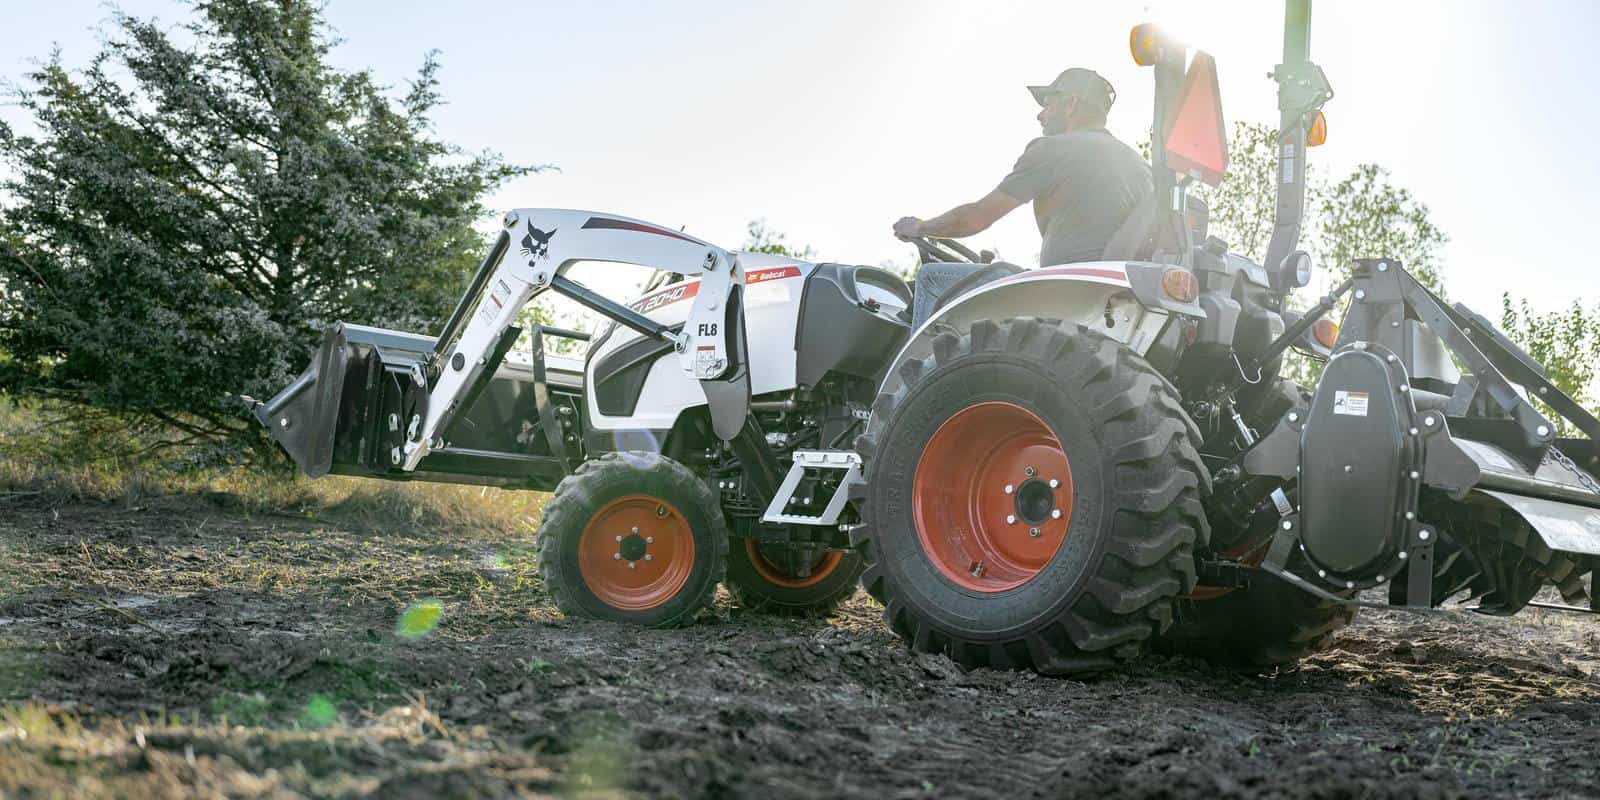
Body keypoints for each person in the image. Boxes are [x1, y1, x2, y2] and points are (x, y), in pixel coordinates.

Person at [893, 68, 1152, 266]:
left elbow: (975, 218)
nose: (1041, 115)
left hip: (1067, 291)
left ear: (1071, 104)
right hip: (1112, 295)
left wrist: (921, 227)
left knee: (932, 277)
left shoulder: (1053, 149)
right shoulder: (1141, 167)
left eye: (1048, 105)